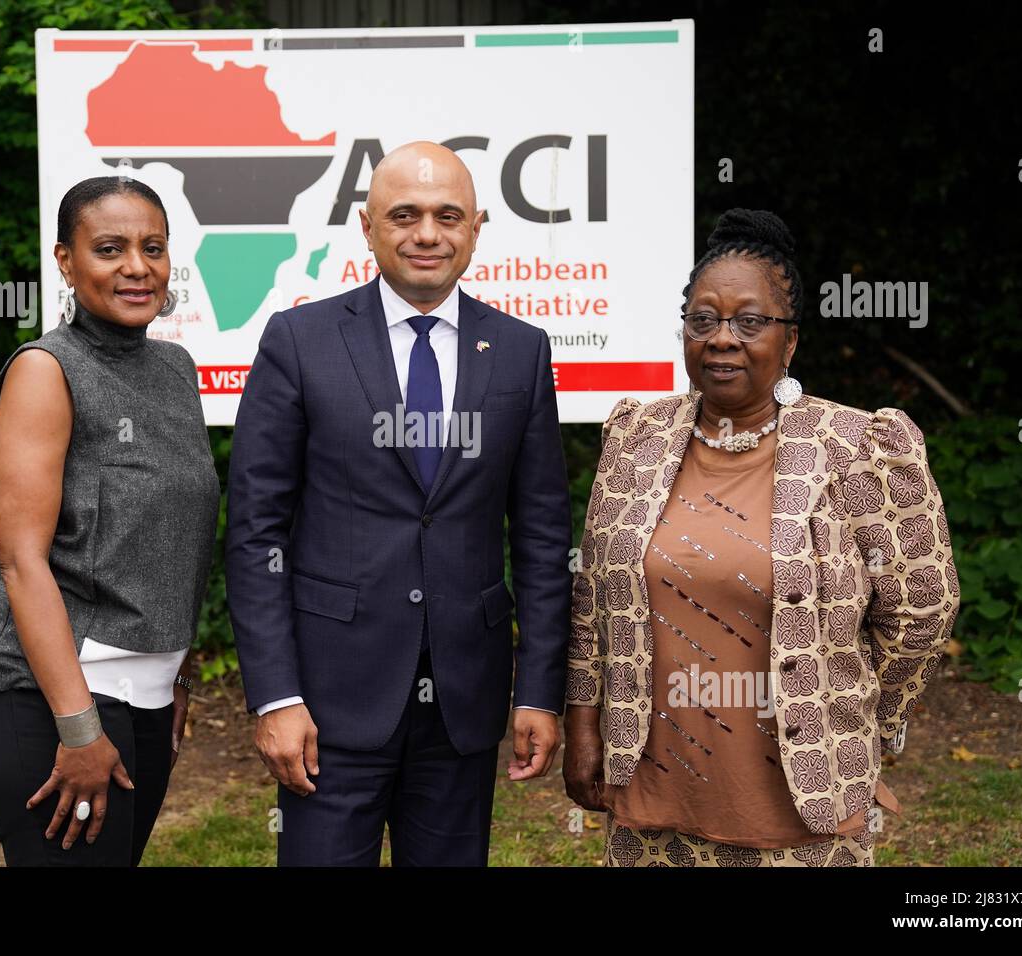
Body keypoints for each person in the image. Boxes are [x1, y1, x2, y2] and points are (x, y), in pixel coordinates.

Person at [563, 209, 959, 867]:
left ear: (791, 342)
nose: (722, 339)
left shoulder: (859, 448)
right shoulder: (637, 438)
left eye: (750, 323)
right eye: (703, 320)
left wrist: (857, 719)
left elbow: (922, 609)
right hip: (654, 801)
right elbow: (592, 602)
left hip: (801, 806)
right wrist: (583, 726)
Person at [226, 141, 571, 866]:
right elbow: (257, 531)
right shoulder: (299, 340)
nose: (426, 234)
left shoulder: (520, 351)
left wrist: (539, 691)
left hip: (461, 705)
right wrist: (276, 696)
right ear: (367, 226)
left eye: (448, 216)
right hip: (326, 703)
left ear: (476, 227)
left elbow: (542, 537)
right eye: (404, 214)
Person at [0, 177, 218, 866]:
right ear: (66, 262)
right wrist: (77, 727)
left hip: (146, 698)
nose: (137, 266)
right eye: (110, 248)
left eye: (152, 248)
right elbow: (21, 562)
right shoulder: (47, 370)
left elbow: (174, 539)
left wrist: (172, 676)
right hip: (43, 697)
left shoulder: (175, 369)